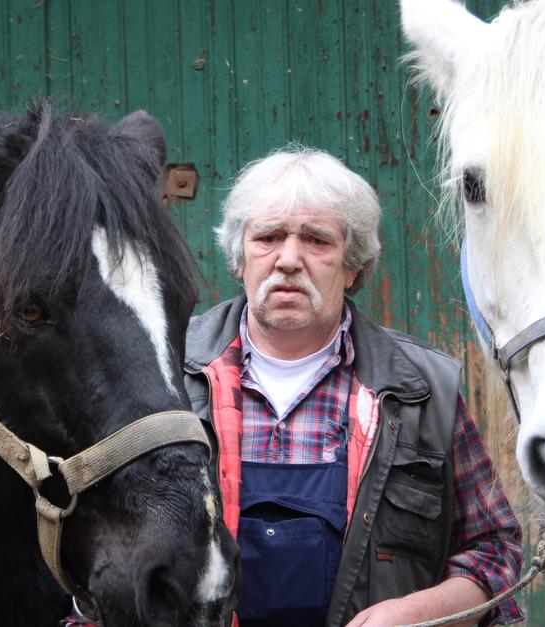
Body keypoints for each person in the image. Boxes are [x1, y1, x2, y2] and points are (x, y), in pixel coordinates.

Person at [182, 146, 524, 627]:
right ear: (239, 258)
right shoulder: (169, 377)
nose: (288, 260)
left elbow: (494, 551)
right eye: (268, 237)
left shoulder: (421, 392)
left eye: (317, 240)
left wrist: (416, 614)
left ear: (354, 266)